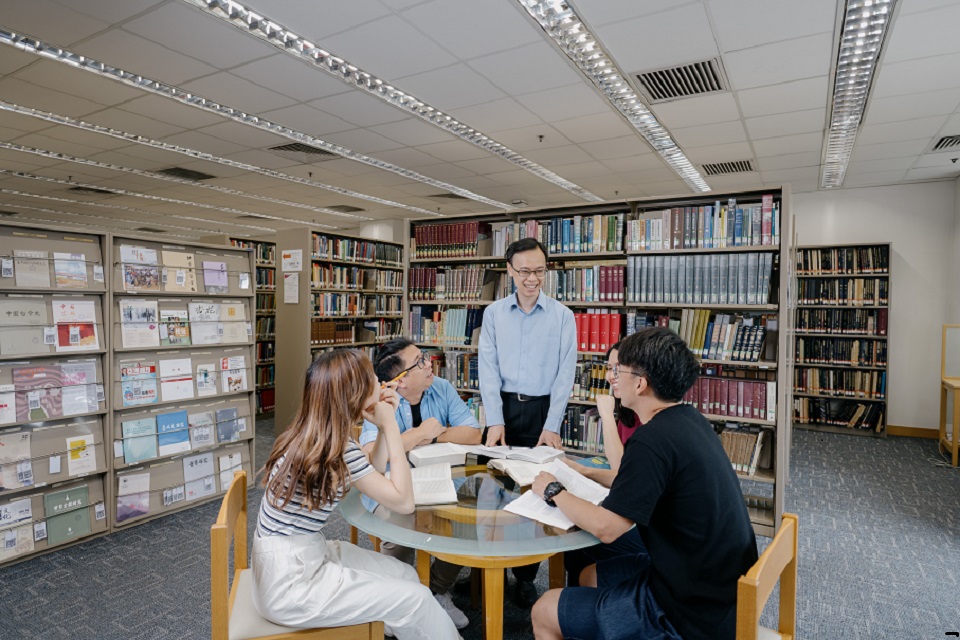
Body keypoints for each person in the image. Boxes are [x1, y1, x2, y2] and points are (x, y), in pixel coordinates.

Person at [529, 327, 759, 640]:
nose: (611, 377)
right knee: (587, 575)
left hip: (688, 612)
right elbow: (637, 483)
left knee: (543, 610)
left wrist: (552, 491)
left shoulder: (651, 441)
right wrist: (583, 473)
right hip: (711, 583)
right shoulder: (688, 420)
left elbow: (607, 528)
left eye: (617, 370)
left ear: (640, 383)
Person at [251, 349, 459, 640]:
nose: (382, 383)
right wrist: (389, 424)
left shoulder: (316, 435)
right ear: (355, 394)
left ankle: (394, 627)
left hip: (292, 561)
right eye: (373, 379)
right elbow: (403, 501)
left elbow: (370, 473)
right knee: (417, 599)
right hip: (292, 585)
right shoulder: (339, 448)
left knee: (405, 576)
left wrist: (384, 431)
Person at [478, 237, 577, 607]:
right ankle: (488, 569)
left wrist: (551, 425)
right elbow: (487, 370)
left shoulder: (562, 316)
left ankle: (525, 576)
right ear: (509, 271)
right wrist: (495, 419)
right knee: (493, 492)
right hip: (503, 409)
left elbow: (564, 375)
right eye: (524, 271)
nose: (532, 278)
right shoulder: (494, 314)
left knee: (536, 496)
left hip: (542, 413)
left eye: (539, 270)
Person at [359, 338, 482, 629]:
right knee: (398, 524)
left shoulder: (441, 387)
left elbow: (474, 434)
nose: (430, 364)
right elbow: (369, 456)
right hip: (391, 489)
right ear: (399, 382)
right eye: (420, 362)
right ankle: (399, 597)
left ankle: (436, 590)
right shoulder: (380, 398)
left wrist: (435, 436)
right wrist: (420, 433)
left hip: (440, 480)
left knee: (466, 524)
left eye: (424, 357)